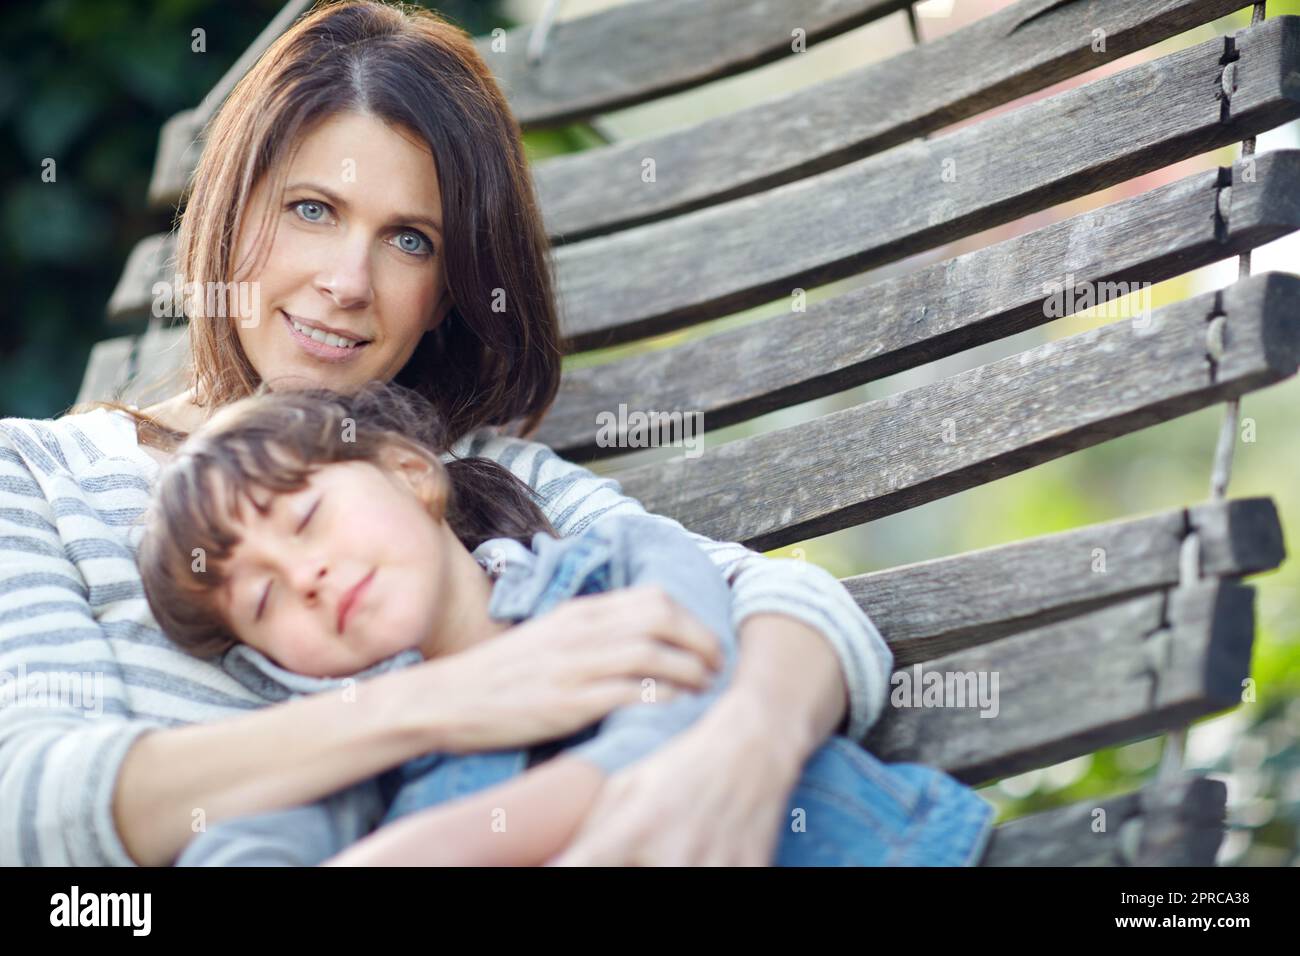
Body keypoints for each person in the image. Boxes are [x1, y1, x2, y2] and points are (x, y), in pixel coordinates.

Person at [0, 0, 899, 867]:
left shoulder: (466, 478)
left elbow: (789, 606)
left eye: (411, 242)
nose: (349, 282)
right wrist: (439, 706)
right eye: (312, 209)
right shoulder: (38, 477)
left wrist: (738, 758)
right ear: (232, 210)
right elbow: (28, 805)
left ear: (445, 298)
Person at [131, 385, 994, 866]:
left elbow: (682, 713)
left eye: (308, 518)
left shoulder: (615, 566)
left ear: (407, 472)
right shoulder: (360, 759)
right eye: (263, 601)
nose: (306, 577)